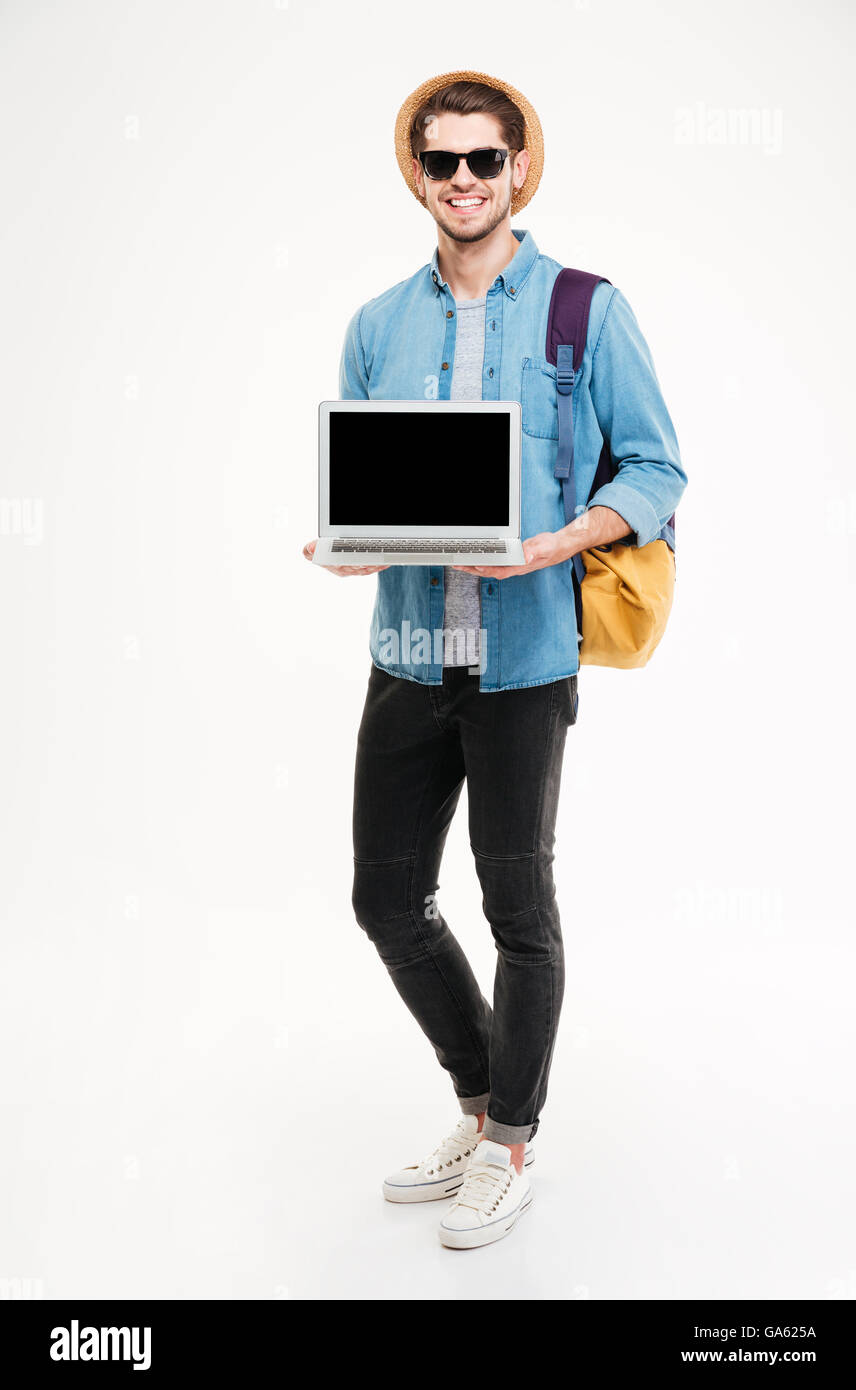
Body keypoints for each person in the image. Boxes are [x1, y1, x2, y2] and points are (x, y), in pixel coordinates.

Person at [303, 69, 687, 1250]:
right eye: (442, 161)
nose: (463, 180)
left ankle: (510, 1143)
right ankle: (480, 1106)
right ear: (415, 173)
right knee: (385, 896)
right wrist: (346, 539)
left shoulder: (585, 309)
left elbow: (655, 471)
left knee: (516, 907)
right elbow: (377, 480)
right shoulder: (378, 322)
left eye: (484, 159)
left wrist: (560, 540)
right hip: (410, 653)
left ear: (519, 167)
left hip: (524, 659)